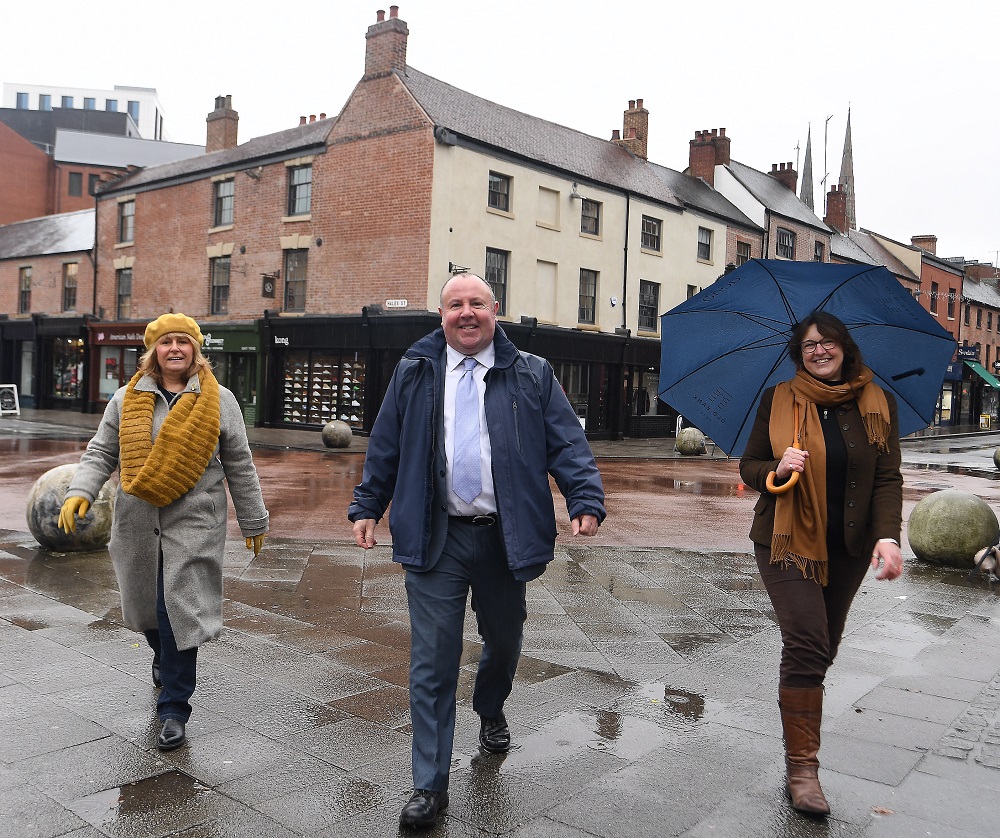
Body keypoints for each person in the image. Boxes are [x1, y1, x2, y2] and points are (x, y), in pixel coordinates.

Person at [349, 273, 606, 830]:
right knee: (433, 660)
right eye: (454, 305)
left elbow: (567, 442)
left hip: (503, 536)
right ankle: (428, 785)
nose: (466, 313)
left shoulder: (532, 373)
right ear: (441, 315)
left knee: (505, 642)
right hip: (435, 535)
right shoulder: (415, 371)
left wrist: (584, 497)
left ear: (496, 309)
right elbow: (386, 444)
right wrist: (368, 504)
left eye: (477, 304)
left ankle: (490, 706)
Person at [58, 313, 268, 752]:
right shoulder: (126, 398)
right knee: (147, 608)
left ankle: (174, 708)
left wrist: (253, 519)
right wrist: (80, 491)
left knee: (178, 610)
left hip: (195, 520)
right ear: (153, 351)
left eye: (183, 342)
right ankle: (161, 655)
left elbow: (239, 463)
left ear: (195, 349)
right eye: (166, 342)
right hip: (137, 520)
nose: (175, 348)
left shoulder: (220, 399)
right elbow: (101, 452)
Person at [739, 311, 903, 816]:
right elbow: (749, 465)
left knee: (822, 648)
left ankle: (797, 720)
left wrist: (888, 537)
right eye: (809, 345)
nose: (819, 351)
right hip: (785, 541)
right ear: (799, 353)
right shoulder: (778, 399)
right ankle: (803, 771)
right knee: (808, 643)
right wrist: (778, 467)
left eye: (827, 342)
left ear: (844, 347)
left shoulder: (877, 404)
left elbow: (887, 478)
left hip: (847, 547)